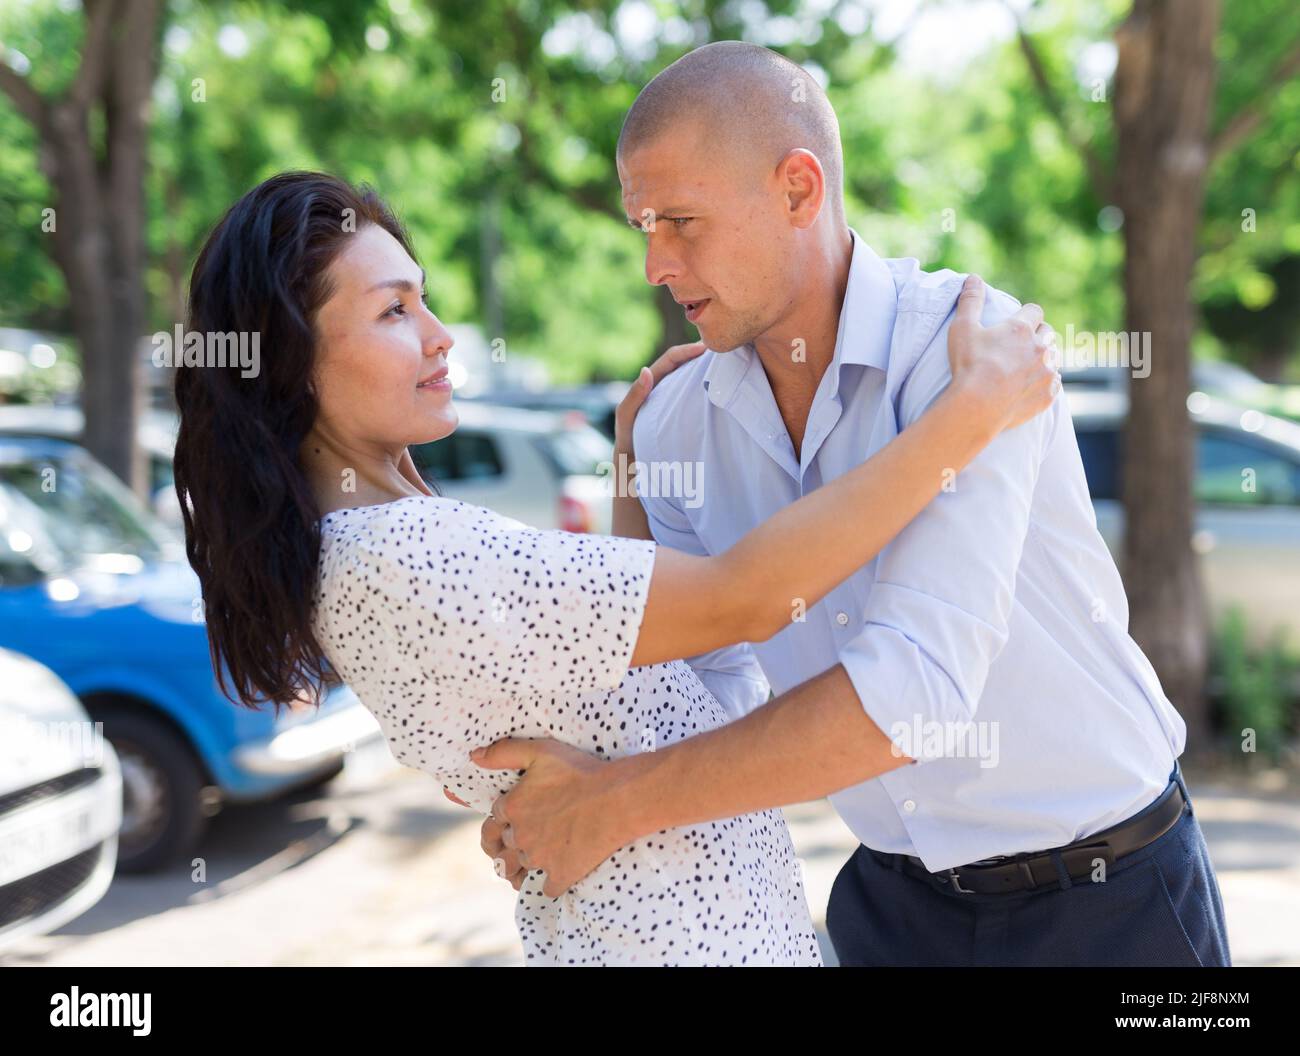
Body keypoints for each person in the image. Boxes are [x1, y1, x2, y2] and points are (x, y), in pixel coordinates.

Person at [471, 41, 1232, 968]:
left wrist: (614, 803)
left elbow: (916, 692)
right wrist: (632, 480)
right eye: (643, 227)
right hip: (890, 913)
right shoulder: (673, 426)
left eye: (680, 221)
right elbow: (692, 688)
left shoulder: (978, 354)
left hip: (1114, 906)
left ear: (799, 190)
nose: (654, 265)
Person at [171, 169, 1056, 966]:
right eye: (394, 311)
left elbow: (649, 681)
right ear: (289, 358)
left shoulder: (378, 545)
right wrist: (969, 415)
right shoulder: (405, 556)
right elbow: (743, 602)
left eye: (425, 301)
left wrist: (633, 471)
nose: (442, 337)